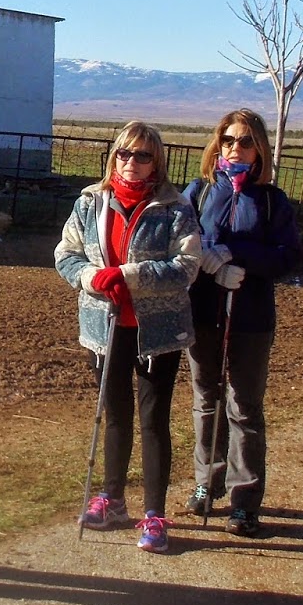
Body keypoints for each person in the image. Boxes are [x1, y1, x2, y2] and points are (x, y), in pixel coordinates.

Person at [54, 120, 202, 554]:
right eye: (124, 153)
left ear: (158, 161)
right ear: (113, 156)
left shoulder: (175, 208)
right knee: (115, 415)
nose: (131, 163)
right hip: (104, 326)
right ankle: (112, 499)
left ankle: (155, 514)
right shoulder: (90, 202)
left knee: (153, 420)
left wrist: (129, 276)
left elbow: (187, 266)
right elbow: (66, 253)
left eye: (142, 155)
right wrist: (91, 278)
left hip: (156, 331)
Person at [180, 109, 301, 537]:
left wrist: (241, 257)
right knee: (205, 398)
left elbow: (288, 257)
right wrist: (208, 258)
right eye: (228, 139)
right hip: (202, 311)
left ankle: (244, 500)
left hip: (250, 317)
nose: (236, 147)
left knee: (244, 405)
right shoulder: (197, 192)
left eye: (245, 141)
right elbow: (181, 239)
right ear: (217, 143)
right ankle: (205, 483)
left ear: (260, 148)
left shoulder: (272, 201)